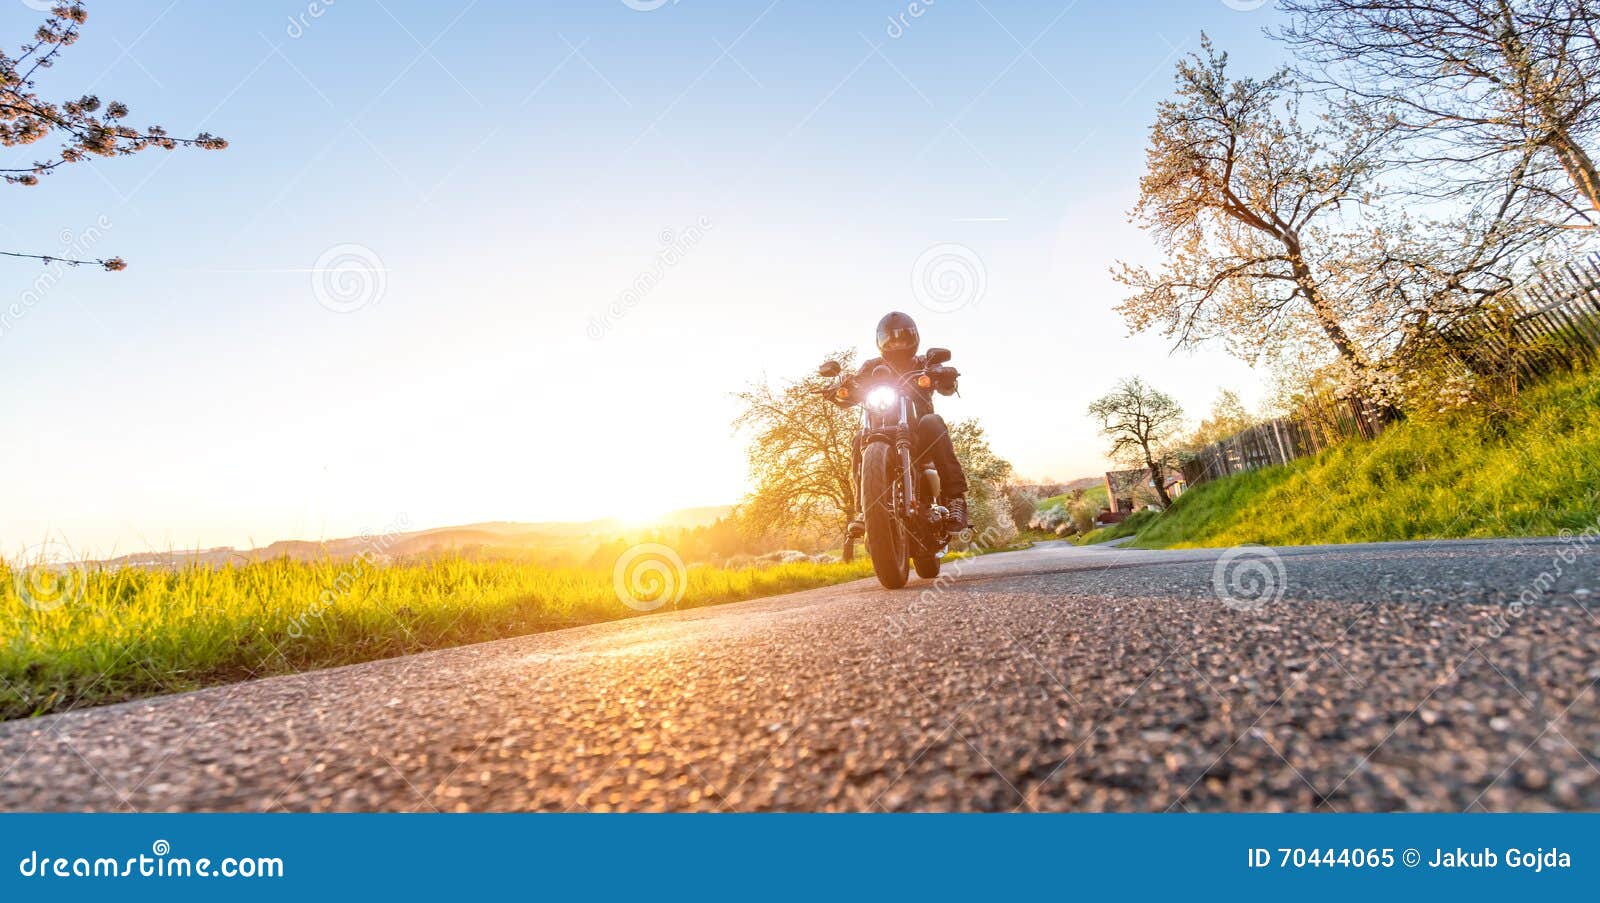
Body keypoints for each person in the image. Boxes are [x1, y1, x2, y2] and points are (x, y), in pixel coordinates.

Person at [847, 310, 969, 532]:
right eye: (891, 340)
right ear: (881, 341)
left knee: (932, 421)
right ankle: (863, 509)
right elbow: (853, 384)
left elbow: (946, 386)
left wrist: (944, 375)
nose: (897, 344)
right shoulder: (870, 367)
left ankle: (955, 499)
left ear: (913, 338)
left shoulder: (924, 363)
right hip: (880, 434)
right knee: (858, 439)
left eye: (902, 338)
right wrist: (842, 390)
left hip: (919, 438)